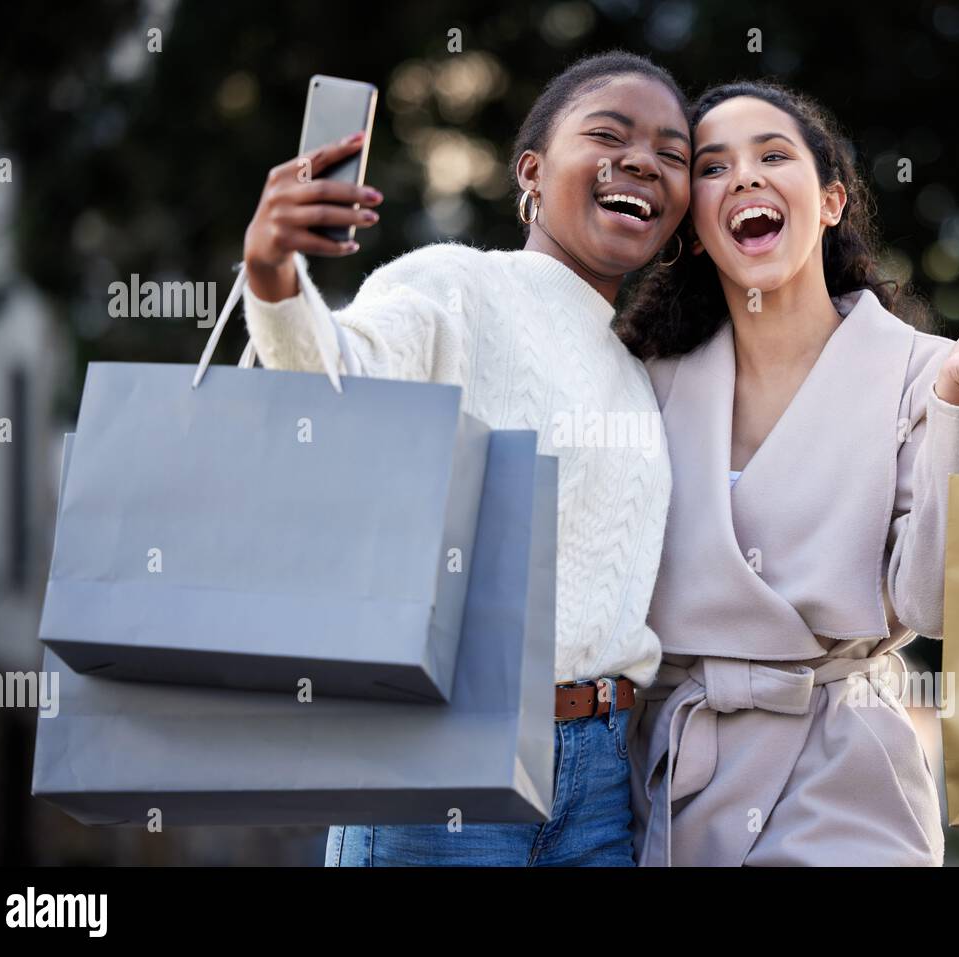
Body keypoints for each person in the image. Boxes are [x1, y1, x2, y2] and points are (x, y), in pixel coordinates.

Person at [614, 80, 959, 866]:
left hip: (846, 778)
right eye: (713, 166)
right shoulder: (649, 380)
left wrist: (958, 404)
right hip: (674, 782)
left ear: (831, 200)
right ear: (695, 229)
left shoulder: (924, 371)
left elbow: (933, 606)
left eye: (773, 154)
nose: (745, 178)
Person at [240, 51, 692, 866]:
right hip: (441, 758)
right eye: (608, 134)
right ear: (531, 171)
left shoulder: (643, 370)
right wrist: (271, 273)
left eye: (672, 154)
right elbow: (335, 378)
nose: (642, 162)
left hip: (601, 783)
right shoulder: (457, 284)